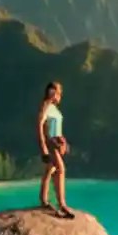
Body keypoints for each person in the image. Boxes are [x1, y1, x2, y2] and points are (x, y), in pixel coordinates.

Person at [38, 81, 75, 219]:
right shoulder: (46, 105)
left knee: (50, 170)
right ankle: (62, 204)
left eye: (58, 93)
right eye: (55, 92)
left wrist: (63, 140)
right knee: (60, 169)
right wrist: (44, 146)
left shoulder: (54, 108)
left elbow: (56, 127)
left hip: (56, 142)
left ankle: (44, 200)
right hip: (50, 142)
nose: (58, 96)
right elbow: (40, 125)